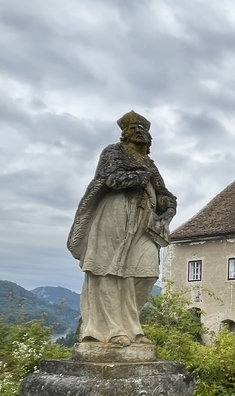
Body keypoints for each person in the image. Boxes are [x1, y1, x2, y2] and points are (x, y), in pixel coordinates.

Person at [67, 111, 176, 347]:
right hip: (115, 213)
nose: (140, 131)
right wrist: (144, 175)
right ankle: (111, 330)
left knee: (145, 272)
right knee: (107, 268)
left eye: (144, 128)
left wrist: (168, 209)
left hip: (144, 222)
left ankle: (131, 326)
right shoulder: (114, 152)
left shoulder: (150, 164)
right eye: (134, 127)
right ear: (125, 134)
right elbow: (112, 179)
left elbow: (164, 194)